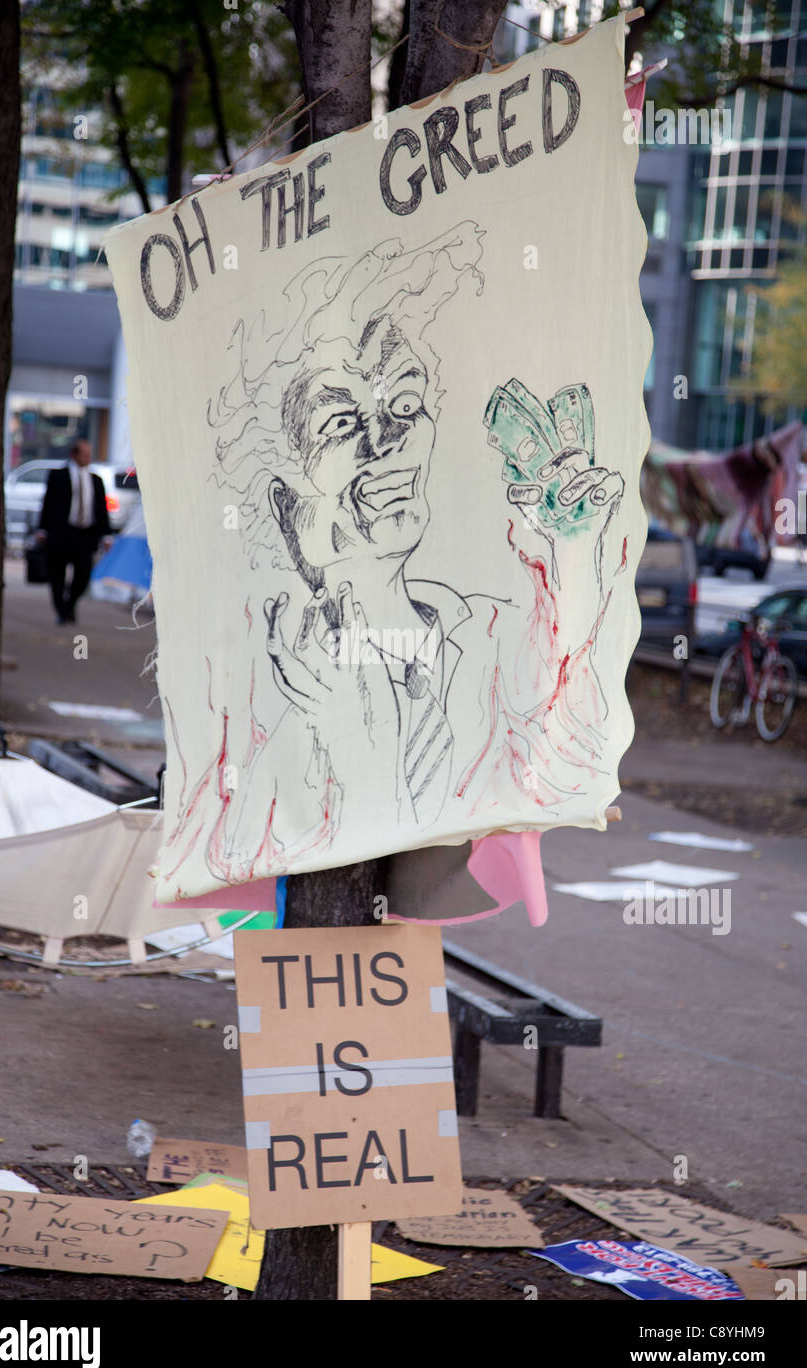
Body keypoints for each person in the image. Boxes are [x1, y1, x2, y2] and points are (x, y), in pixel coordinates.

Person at [160, 222, 626, 893]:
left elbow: (565, 770)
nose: (388, 442)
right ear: (289, 506)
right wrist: (357, 745)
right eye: (340, 423)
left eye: (405, 404)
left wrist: (576, 562)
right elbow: (230, 861)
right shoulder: (267, 693)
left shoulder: (491, 635)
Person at [37, 440, 111, 624]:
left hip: (85, 534)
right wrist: (42, 529)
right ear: (75, 455)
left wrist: (106, 534)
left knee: (83, 573)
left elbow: (101, 509)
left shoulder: (95, 480)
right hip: (62, 533)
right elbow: (48, 503)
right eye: (85, 454)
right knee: (57, 574)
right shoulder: (58, 476)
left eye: (89, 455)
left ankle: (70, 604)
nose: (88, 458)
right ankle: (62, 610)